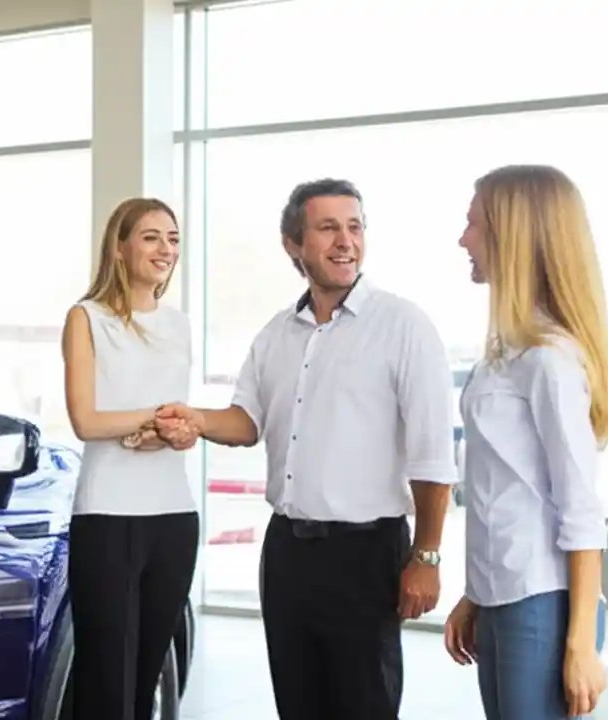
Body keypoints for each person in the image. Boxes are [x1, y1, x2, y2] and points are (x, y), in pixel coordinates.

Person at [156, 179, 457, 719]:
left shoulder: (403, 326)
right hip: (289, 554)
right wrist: (196, 419)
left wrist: (427, 556)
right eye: (328, 228)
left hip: (367, 554)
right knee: (297, 704)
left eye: (355, 226)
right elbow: (246, 420)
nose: (346, 241)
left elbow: (433, 453)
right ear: (293, 244)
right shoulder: (276, 334)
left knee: (364, 705)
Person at [442, 164, 608, 720]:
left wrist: (581, 646)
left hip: (541, 605)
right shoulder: (503, 355)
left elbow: (581, 511)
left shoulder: (549, 361)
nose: (463, 239)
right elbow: (506, 491)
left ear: (512, 236)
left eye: (474, 225)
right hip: (505, 598)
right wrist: (476, 594)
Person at [60, 196, 199, 720]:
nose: (165, 249)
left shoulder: (179, 324)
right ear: (119, 248)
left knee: (145, 684)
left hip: (173, 516)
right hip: (108, 517)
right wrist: (155, 419)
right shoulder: (87, 318)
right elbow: (87, 421)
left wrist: (173, 431)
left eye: (173, 238)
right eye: (150, 237)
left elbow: (180, 421)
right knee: (106, 681)